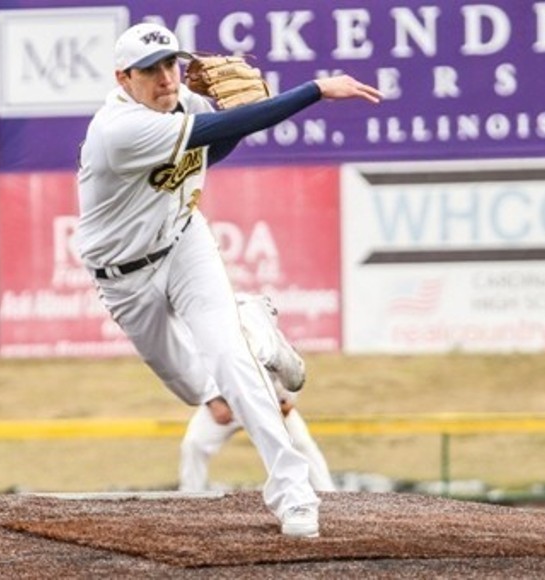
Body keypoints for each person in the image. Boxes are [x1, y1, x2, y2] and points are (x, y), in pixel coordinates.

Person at [75, 22, 381, 537]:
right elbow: (211, 135)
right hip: (124, 276)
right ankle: (255, 326)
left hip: (183, 242)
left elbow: (212, 151)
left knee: (231, 361)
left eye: (171, 64)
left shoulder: (184, 103)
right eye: (150, 70)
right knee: (197, 387)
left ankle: (294, 494)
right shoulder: (117, 129)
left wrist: (233, 117)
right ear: (123, 78)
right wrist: (313, 91)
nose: (167, 77)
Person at [179, 294, 336, 494]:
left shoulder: (275, 343)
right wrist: (212, 402)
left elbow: (289, 393)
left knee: (303, 445)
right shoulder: (215, 340)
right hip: (228, 404)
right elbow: (200, 370)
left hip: (270, 405)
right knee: (194, 443)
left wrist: (284, 404)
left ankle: (330, 496)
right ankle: (189, 496)